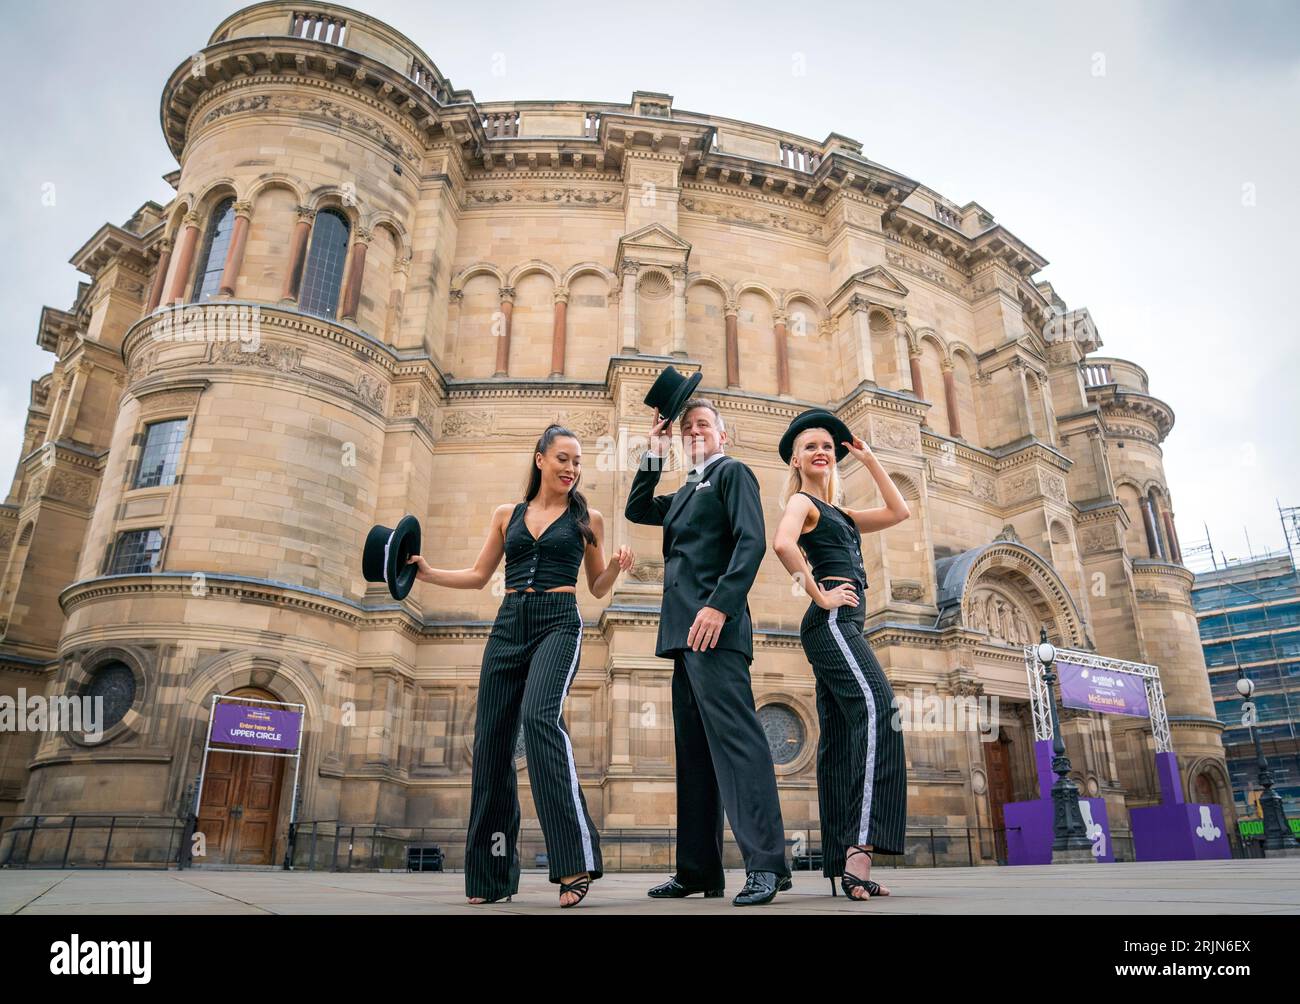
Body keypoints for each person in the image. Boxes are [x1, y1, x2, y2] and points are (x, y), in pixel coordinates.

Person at [406, 424, 633, 907]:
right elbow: (477, 575)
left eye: (577, 461)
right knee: (490, 742)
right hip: (509, 623)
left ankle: (573, 859)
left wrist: (615, 566)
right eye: (563, 459)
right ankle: (491, 878)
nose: (572, 468)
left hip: (559, 623)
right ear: (540, 460)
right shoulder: (506, 514)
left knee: (539, 718)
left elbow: (596, 587)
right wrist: (427, 573)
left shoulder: (587, 517)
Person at [626, 398, 792, 906]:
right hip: (682, 634)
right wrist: (652, 455)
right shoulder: (682, 492)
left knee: (740, 745)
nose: (694, 432)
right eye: (687, 428)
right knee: (694, 755)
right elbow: (636, 508)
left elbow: (751, 542)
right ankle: (698, 870)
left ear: (724, 435)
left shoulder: (732, 474)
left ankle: (767, 865)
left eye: (703, 425)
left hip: (714, 629)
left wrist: (720, 606)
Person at [771, 409, 910, 901]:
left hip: (846, 623)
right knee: (878, 711)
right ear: (796, 458)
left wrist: (870, 462)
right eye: (810, 446)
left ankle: (841, 859)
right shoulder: (802, 502)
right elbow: (783, 543)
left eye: (827, 446)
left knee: (840, 738)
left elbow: (899, 513)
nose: (821, 451)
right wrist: (818, 593)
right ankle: (861, 849)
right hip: (831, 618)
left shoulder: (844, 515)